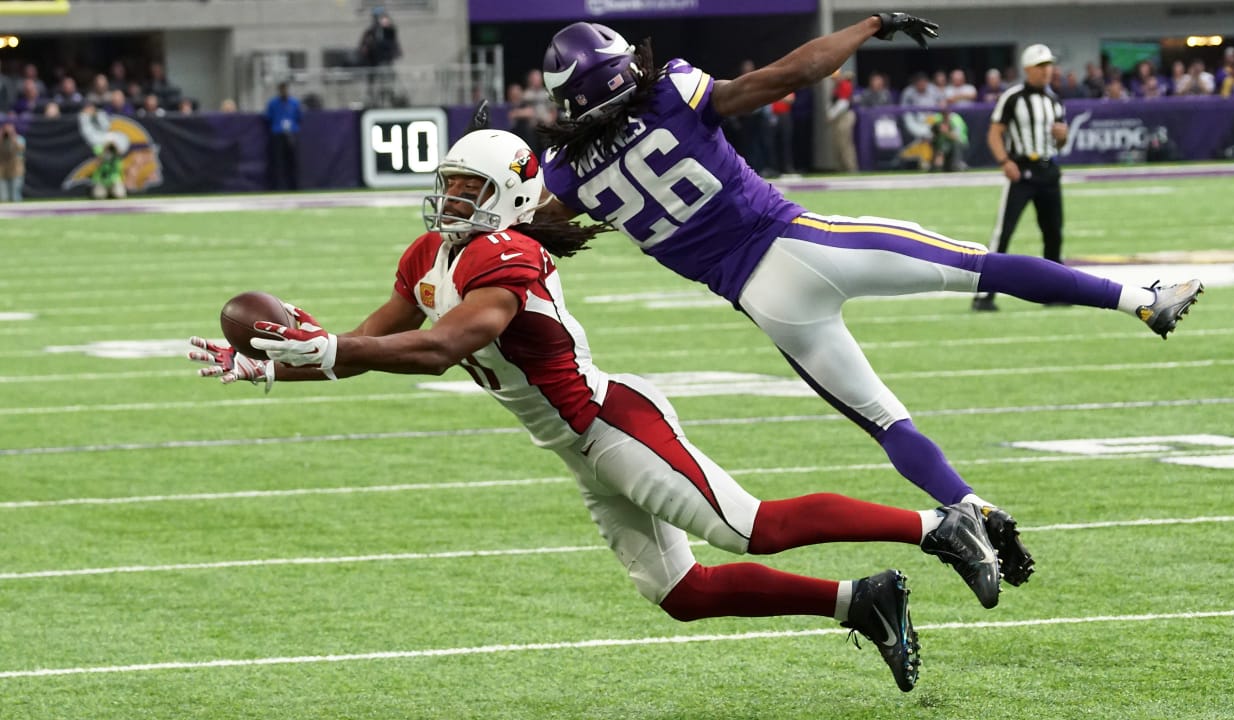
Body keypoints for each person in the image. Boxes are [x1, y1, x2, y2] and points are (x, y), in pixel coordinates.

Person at [188, 129, 1007, 693]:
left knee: (750, 527)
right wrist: (263, 368)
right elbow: (364, 344)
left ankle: (938, 528)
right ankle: (860, 601)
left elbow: (438, 348)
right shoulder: (428, 255)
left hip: (612, 422)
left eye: (472, 190)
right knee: (680, 592)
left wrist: (324, 349)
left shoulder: (508, 253)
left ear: (509, 196)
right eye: (450, 187)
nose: (454, 201)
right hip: (576, 447)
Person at [531, 15, 1206, 587]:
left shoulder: (565, 176)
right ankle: (1140, 301)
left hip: (765, 301)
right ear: (622, 69)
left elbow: (531, 226)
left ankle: (973, 507)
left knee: (886, 422)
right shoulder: (671, 93)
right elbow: (789, 76)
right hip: (804, 243)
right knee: (982, 266)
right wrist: (872, 22)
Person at [972, 43, 1070, 311]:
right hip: (1022, 171)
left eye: (1049, 65)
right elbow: (994, 133)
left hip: (1049, 170)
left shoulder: (1054, 100)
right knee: (1004, 233)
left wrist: (1063, 139)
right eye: (1041, 66)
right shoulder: (1013, 97)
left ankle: (1055, 291)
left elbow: (1059, 142)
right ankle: (984, 295)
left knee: (1054, 233)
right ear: (1027, 69)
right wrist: (1005, 161)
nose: (1046, 70)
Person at [358, 6, 402, 107]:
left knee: (387, 83)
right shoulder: (370, 32)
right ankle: (373, 101)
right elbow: (363, 46)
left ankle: (388, 99)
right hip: (373, 63)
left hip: (385, 61)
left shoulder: (388, 31)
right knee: (373, 86)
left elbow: (392, 42)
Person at [264, 82, 302, 191]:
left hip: (292, 133)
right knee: (278, 162)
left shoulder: (294, 103)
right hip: (278, 134)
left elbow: (299, 117)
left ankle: (294, 186)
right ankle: (278, 187)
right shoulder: (273, 103)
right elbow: (268, 118)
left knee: (293, 161)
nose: (284, 92)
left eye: (285, 89)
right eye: (282, 89)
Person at [827, 69, 857, 172]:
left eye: (835, 78)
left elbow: (843, 103)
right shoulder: (837, 87)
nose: (834, 80)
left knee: (845, 143)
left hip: (845, 116)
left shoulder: (845, 85)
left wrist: (831, 115)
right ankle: (841, 168)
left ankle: (850, 168)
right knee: (838, 144)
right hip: (838, 117)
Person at [928, 98, 968, 172]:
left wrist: (946, 132)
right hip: (942, 143)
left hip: (958, 142)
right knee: (936, 142)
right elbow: (932, 133)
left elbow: (958, 137)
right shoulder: (937, 118)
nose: (944, 113)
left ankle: (957, 164)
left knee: (955, 143)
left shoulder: (956, 119)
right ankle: (936, 163)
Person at [0, 120, 25, 203]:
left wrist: (12, 136)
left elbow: (21, 149)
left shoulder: (19, 139)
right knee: (4, 197)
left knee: (15, 196)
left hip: (16, 169)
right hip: (2, 170)